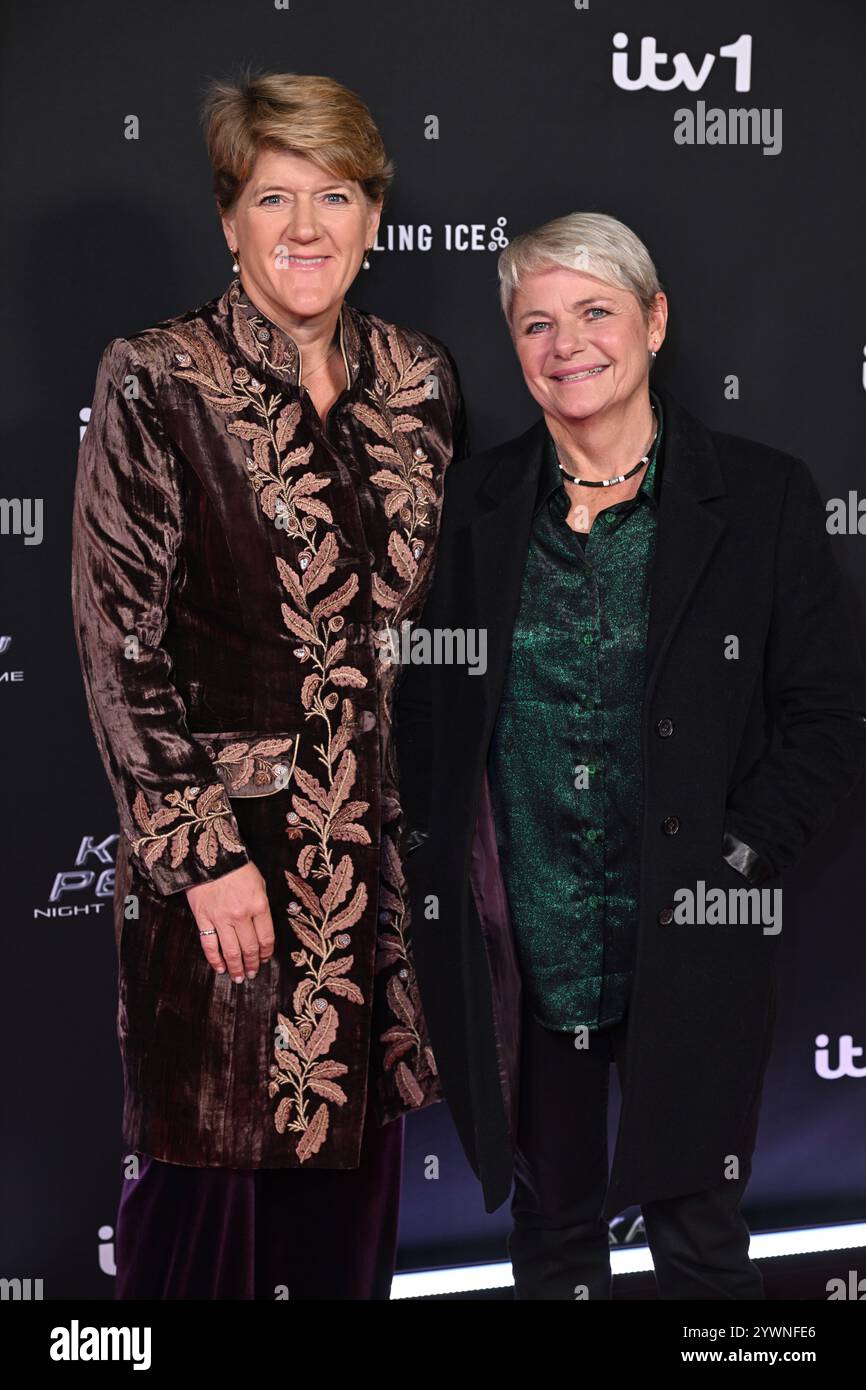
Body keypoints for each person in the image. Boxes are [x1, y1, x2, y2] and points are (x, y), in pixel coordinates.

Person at [394, 211, 866, 1299]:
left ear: (653, 321)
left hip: (688, 940)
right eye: (534, 324)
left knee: (698, 1235)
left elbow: (828, 712)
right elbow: (425, 714)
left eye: (594, 313)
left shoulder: (757, 496)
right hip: (531, 949)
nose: (566, 346)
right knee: (550, 1230)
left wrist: (736, 859)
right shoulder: (470, 503)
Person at [71, 69, 467, 1300]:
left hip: (372, 876)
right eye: (272, 195)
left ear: (374, 219)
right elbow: (118, 640)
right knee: (203, 1220)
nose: (305, 227)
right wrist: (201, 856)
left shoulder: (418, 381)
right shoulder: (157, 378)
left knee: (343, 1236)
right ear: (227, 220)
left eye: (334, 194)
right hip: (223, 885)